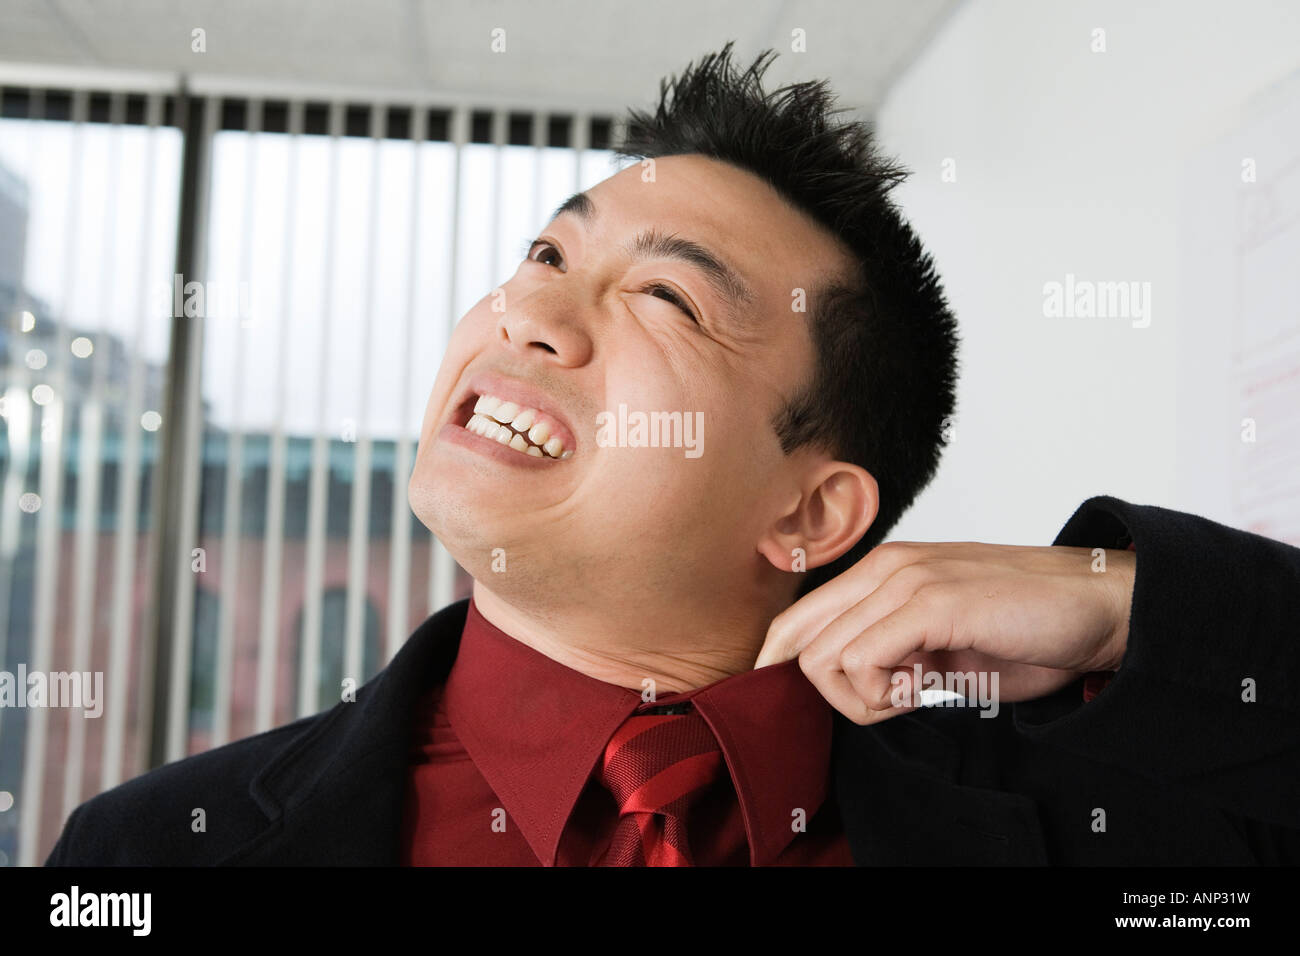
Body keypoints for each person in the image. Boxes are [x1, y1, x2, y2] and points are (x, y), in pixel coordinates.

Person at [47, 43, 1300, 866]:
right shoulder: (146, 855)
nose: (527, 314)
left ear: (811, 512)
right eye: (545, 257)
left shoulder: (1115, 832)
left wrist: (1122, 603)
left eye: (665, 300)